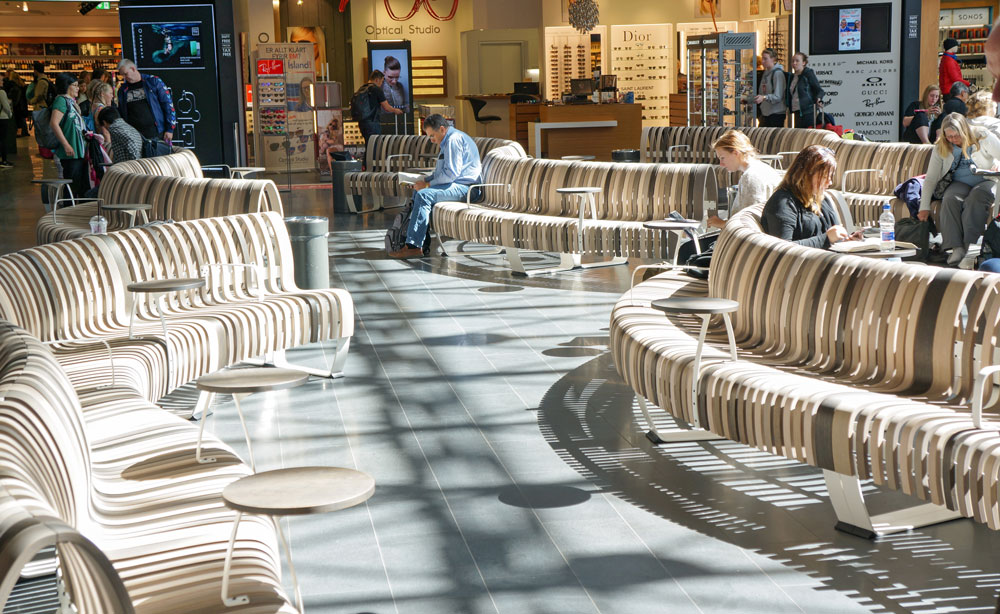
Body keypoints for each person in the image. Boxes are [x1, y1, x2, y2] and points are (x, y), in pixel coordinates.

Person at [388, 114, 481, 259]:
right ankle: (421, 244)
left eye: (432, 135)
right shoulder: (447, 140)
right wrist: (422, 180)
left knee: (424, 194)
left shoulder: (453, 140)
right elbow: (441, 174)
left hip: (468, 189)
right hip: (458, 185)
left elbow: (451, 174)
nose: (431, 140)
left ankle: (413, 247)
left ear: (442, 129)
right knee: (418, 192)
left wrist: (427, 185)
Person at [918, 113, 1000, 268]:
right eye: (949, 136)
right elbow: (931, 178)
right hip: (959, 182)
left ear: (965, 130)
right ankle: (956, 247)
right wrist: (924, 206)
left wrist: (997, 164)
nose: (953, 140)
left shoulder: (982, 136)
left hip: (986, 179)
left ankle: (969, 246)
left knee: (975, 199)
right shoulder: (942, 146)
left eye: (956, 136)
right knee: (950, 198)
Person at [761, 145, 860, 248]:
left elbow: (833, 237)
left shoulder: (820, 198)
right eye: (824, 177)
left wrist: (848, 239)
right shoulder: (782, 203)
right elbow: (782, 249)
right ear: (805, 175)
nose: (829, 182)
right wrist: (826, 239)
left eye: (830, 176)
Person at [709, 130, 782, 228]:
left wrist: (721, 223)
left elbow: (750, 222)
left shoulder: (751, 177)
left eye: (722, 158)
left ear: (736, 153)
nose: (721, 164)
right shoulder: (761, 169)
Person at [115, 58, 175, 143]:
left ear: (133, 69)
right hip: (134, 136)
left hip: (157, 133)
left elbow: (168, 105)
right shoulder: (122, 90)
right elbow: (122, 113)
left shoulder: (153, 81)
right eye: (122, 75)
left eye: (125, 74)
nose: (124, 78)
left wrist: (170, 129)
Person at [50, 72, 89, 199]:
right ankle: (69, 207)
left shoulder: (71, 102)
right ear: (67, 86)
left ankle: (75, 206)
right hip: (71, 151)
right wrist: (66, 144)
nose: (78, 88)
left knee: (78, 183)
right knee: (71, 185)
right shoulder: (61, 101)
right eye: (75, 85)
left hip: (78, 150)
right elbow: (54, 123)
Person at [353, 70, 403, 145]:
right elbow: (386, 107)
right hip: (373, 123)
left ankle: (369, 153)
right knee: (375, 146)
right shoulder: (376, 89)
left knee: (368, 145)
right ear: (377, 79)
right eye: (381, 81)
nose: (381, 84)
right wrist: (395, 110)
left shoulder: (362, 89)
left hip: (362, 123)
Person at [786, 52, 825, 128]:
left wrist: (819, 99)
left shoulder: (808, 74)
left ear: (803, 63)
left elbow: (819, 90)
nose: (794, 63)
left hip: (808, 111)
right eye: (793, 61)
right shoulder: (792, 77)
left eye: (797, 61)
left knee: (808, 133)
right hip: (797, 111)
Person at [754, 48, 786, 128]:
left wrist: (764, 97)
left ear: (773, 59)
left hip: (775, 114)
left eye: (765, 59)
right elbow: (762, 92)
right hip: (765, 113)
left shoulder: (778, 74)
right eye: (762, 58)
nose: (763, 61)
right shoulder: (765, 73)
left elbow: (778, 96)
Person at [88, 81, 114, 149]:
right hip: (104, 143)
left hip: (96, 143)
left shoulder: (93, 106)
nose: (112, 96)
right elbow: (105, 132)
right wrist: (109, 147)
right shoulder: (101, 109)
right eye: (110, 93)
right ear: (102, 94)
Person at [0, 74, 12, 168]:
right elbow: (6, 106)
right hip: (3, 117)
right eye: (1, 80)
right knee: (3, 140)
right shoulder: (2, 92)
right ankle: (4, 160)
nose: (2, 82)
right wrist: (10, 114)